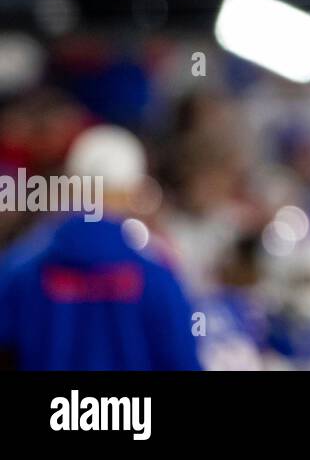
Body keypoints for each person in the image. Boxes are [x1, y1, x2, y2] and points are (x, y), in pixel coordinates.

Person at [0, 125, 201, 370]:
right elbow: (181, 361)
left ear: (71, 185)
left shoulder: (21, 268)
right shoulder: (157, 275)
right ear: (134, 191)